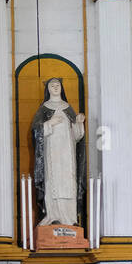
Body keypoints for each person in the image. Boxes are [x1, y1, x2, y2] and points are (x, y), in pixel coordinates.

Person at [31, 78, 85, 226]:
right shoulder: (44, 108)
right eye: (52, 85)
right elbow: (36, 131)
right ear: (47, 89)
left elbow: (77, 136)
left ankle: (70, 218)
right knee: (52, 182)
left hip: (67, 154)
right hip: (51, 153)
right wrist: (49, 123)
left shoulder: (68, 108)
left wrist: (79, 123)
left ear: (62, 88)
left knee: (68, 182)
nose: (55, 87)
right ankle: (53, 215)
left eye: (58, 85)